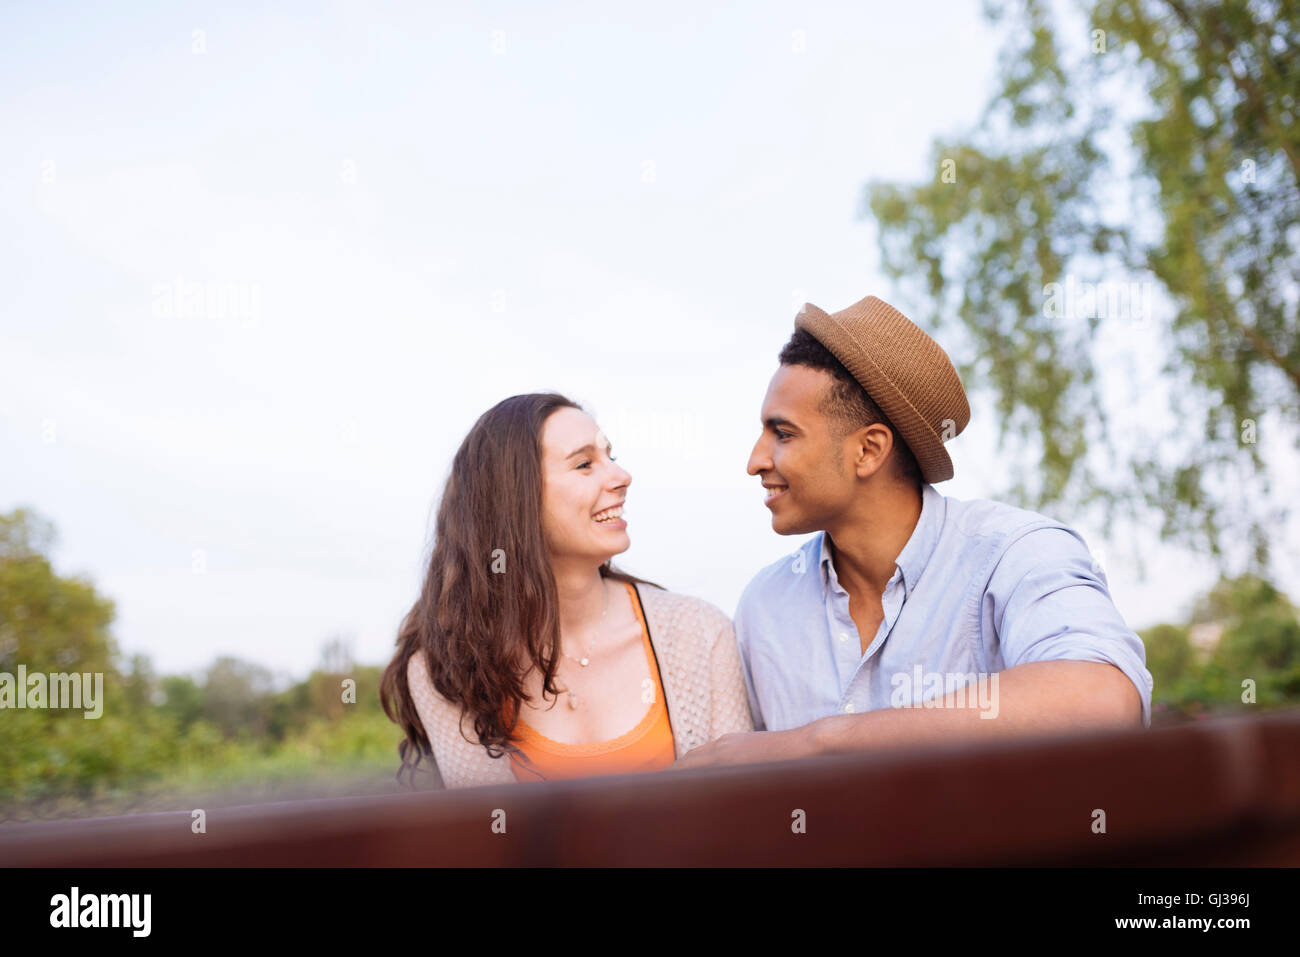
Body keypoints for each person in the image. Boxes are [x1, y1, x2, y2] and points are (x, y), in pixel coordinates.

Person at [674, 295, 1154, 770]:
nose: (755, 461)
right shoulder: (765, 604)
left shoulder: (1015, 553)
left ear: (868, 450)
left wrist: (822, 740)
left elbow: (1102, 699)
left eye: (783, 434)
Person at [380, 392, 752, 788]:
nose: (621, 476)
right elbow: (495, 832)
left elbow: (735, 811)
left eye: (611, 456)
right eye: (584, 464)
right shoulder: (449, 664)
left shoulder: (700, 634)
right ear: (514, 499)